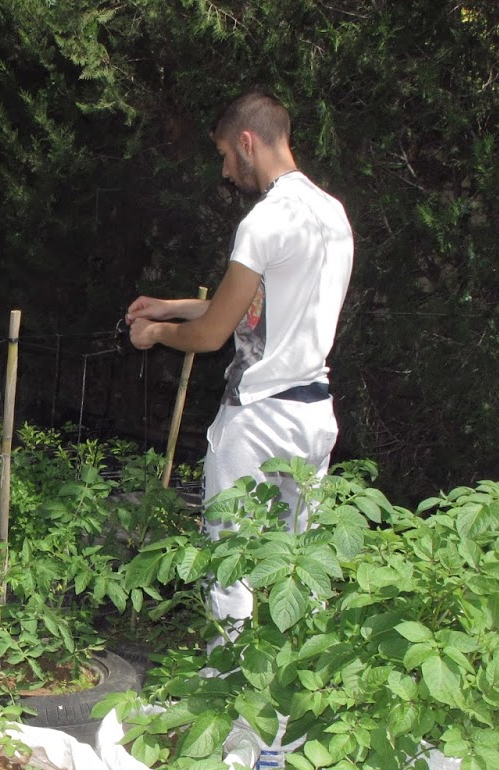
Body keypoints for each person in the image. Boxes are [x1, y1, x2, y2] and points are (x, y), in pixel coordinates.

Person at [126, 90, 353, 629]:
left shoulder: (264, 222)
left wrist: (156, 331)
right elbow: (261, 310)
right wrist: (171, 304)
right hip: (314, 415)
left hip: (258, 420)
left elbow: (211, 335)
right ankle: (294, 702)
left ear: (248, 143)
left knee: (232, 565)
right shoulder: (330, 213)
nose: (226, 170)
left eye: (227, 154)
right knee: (302, 566)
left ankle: (232, 705)